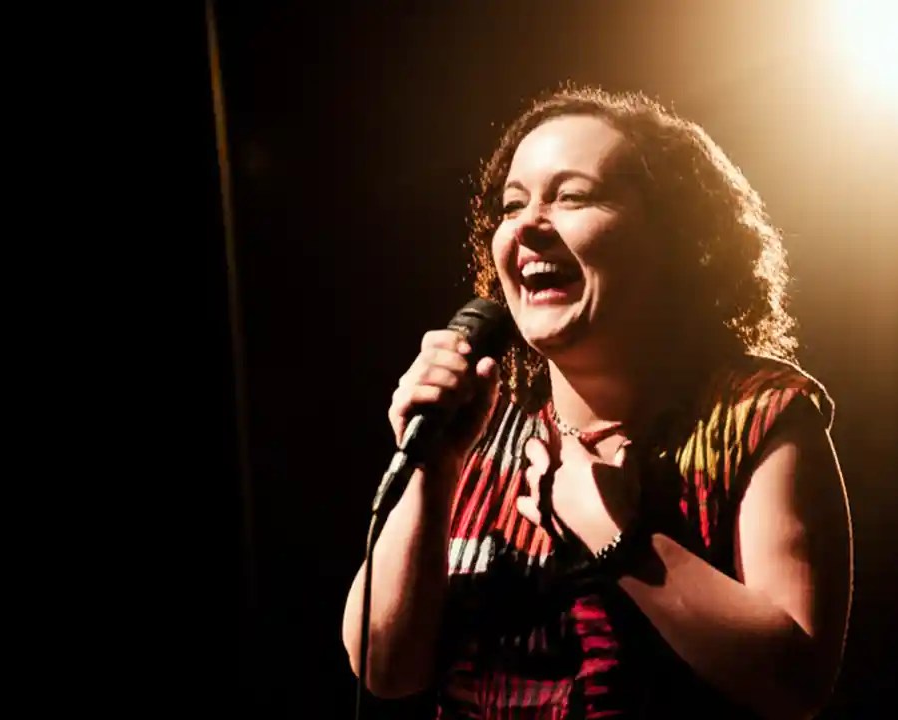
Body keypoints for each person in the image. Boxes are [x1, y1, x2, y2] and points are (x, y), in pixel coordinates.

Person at [342, 84, 853, 719]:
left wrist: (621, 536)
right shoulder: (479, 430)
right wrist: (433, 468)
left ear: (677, 238)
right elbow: (386, 669)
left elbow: (795, 681)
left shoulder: (758, 415)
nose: (528, 224)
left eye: (573, 195)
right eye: (512, 204)